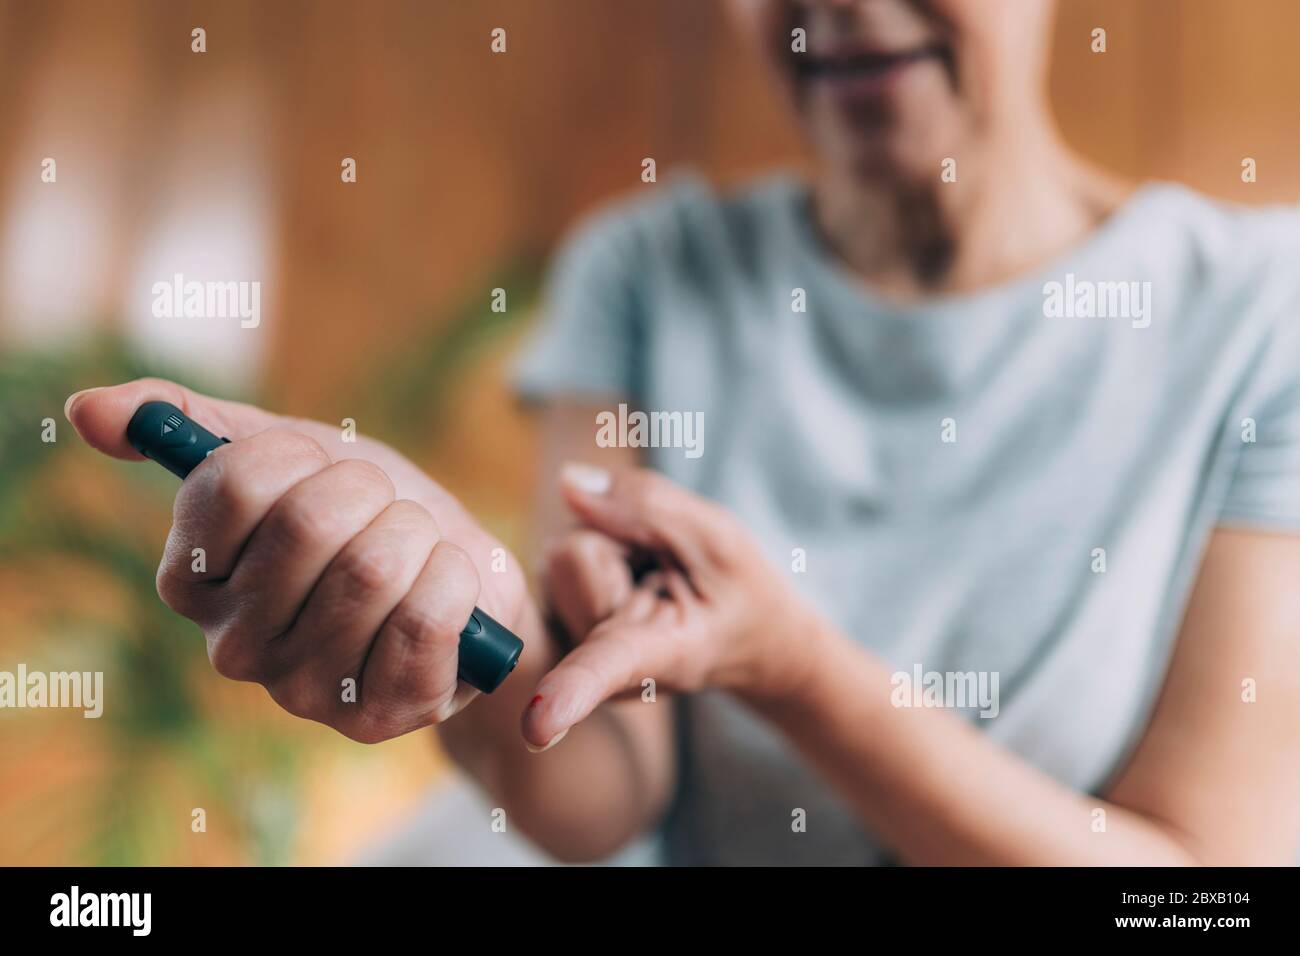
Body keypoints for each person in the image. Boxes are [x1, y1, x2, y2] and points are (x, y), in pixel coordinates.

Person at [67, 0, 1300, 865]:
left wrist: (799, 673)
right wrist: (457, 601)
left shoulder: (1265, 311)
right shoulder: (646, 267)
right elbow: (606, 787)